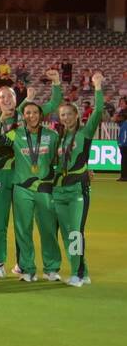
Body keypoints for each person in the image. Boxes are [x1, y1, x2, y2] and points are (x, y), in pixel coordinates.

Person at [0, 71, 61, 278]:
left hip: (22, 177)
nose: (6, 100)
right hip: (1, 174)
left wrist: (55, 83)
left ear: (16, 99)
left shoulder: (27, 114)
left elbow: (54, 104)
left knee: (23, 222)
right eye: (2, 97)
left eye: (9, 96)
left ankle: (21, 263)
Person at [50, 74, 102, 287]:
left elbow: (98, 111)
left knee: (75, 232)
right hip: (60, 190)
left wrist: (98, 86)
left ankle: (77, 274)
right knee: (66, 233)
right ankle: (83, 271)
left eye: (69, 114)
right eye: (62, 114)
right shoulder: (61, 137)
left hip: (77, 190)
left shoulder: (85, 132)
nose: (65, 117)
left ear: (76, 115)